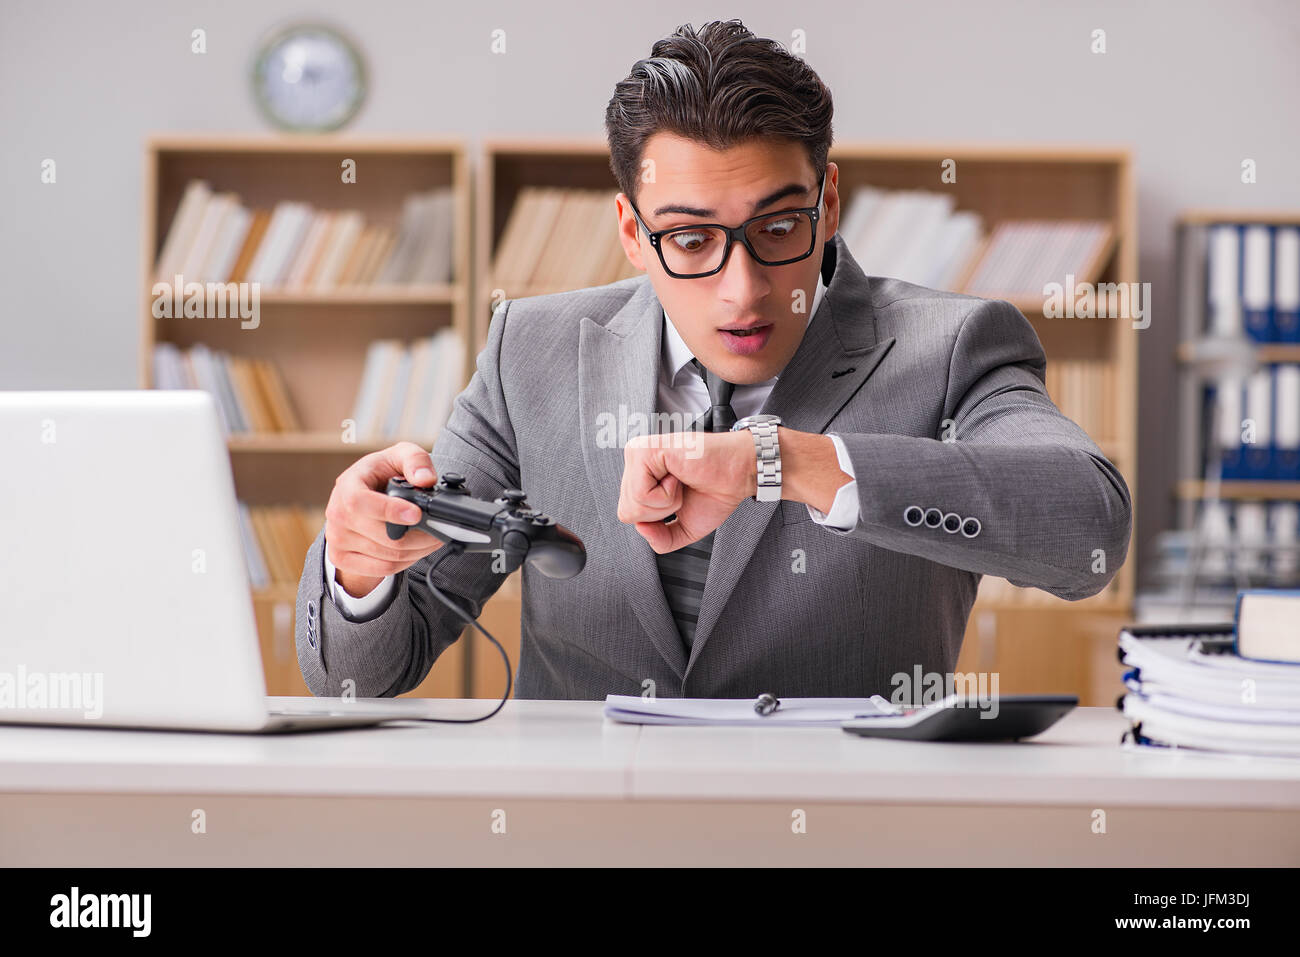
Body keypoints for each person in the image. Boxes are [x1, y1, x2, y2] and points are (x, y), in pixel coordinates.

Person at [295, 19, 1131, 700]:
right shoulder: (531, 354)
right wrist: (357, 569)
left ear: (829, 202)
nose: (742, 289)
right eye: (691, 238)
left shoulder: (949, 346)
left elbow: (1088, 531)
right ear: (631, 232)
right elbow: (358, 678)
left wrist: (785, 460)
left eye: (776, 228)